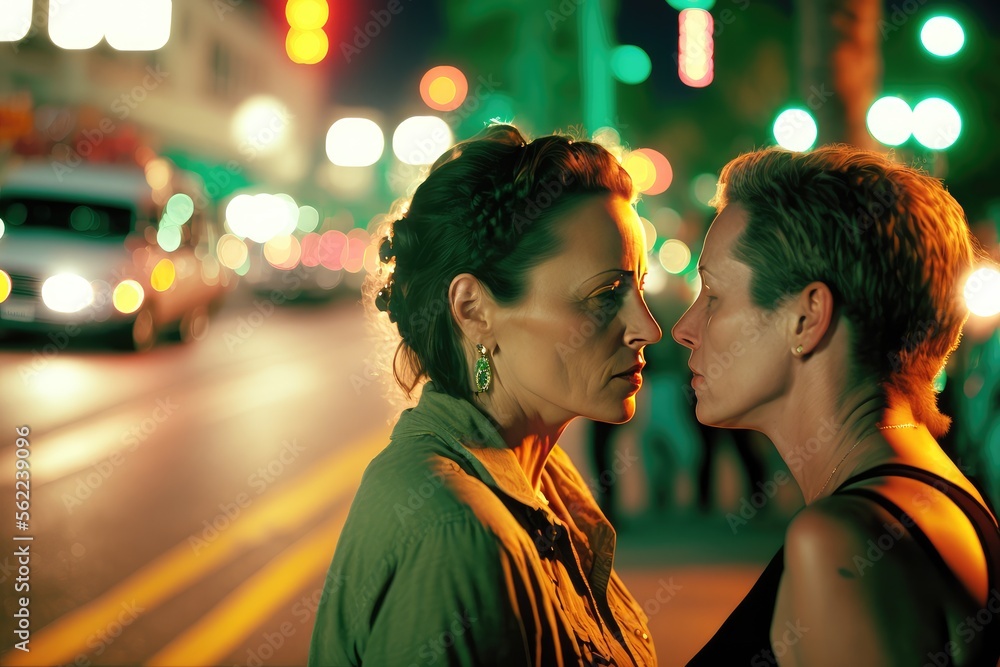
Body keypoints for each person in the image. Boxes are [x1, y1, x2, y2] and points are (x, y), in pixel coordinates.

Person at [309, 124, 662, 666]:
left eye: (639, 285)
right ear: (473, 309)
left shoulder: (544, 481)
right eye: (606, 294)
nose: (647, 328)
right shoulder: (457, 536)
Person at [672, 145, 1000, 666]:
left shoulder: (839, 542)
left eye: (712, 294)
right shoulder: (940, 495)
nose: (684, 329)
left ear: (807, 317)